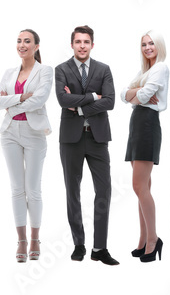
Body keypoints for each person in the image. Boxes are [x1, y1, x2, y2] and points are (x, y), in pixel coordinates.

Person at [54, 25, 118, 265]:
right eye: (78, 42)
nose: (82, 46)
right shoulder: (61, 69)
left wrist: (79, 107)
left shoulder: (104, 69)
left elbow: (110, 102)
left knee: (104, 191)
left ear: (92, 44)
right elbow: (63, 99)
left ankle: (99, 248)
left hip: (97, 138)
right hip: (70, 139)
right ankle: (78, 244)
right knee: (73, 191)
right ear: (72, 44)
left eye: (86, 42)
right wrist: (93, 97)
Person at [0, 29, 53, 263]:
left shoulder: (45, 70)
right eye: (19, 41)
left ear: (36, 46)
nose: (22, 45)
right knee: (17, 188)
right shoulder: (9, 73)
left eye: (27, 41)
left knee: (33, 188)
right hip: (9, 132)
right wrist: (20, 97)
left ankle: (35, 238)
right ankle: (21, 240)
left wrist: (11, 106)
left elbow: (40, 99)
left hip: (34, 132)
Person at [122, 30, 170, 263]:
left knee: (139, 185)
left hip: (147, 124)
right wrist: (135, 94)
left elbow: (143, 96)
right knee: (143, 187)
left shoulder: (160, 68)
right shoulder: (145, 71)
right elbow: (123, 95)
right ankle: (143, 239)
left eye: (151, 43)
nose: (148, 47)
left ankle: (153, 239)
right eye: (144, 44)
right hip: (137, 124)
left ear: (159, 46)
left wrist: (135, 95)